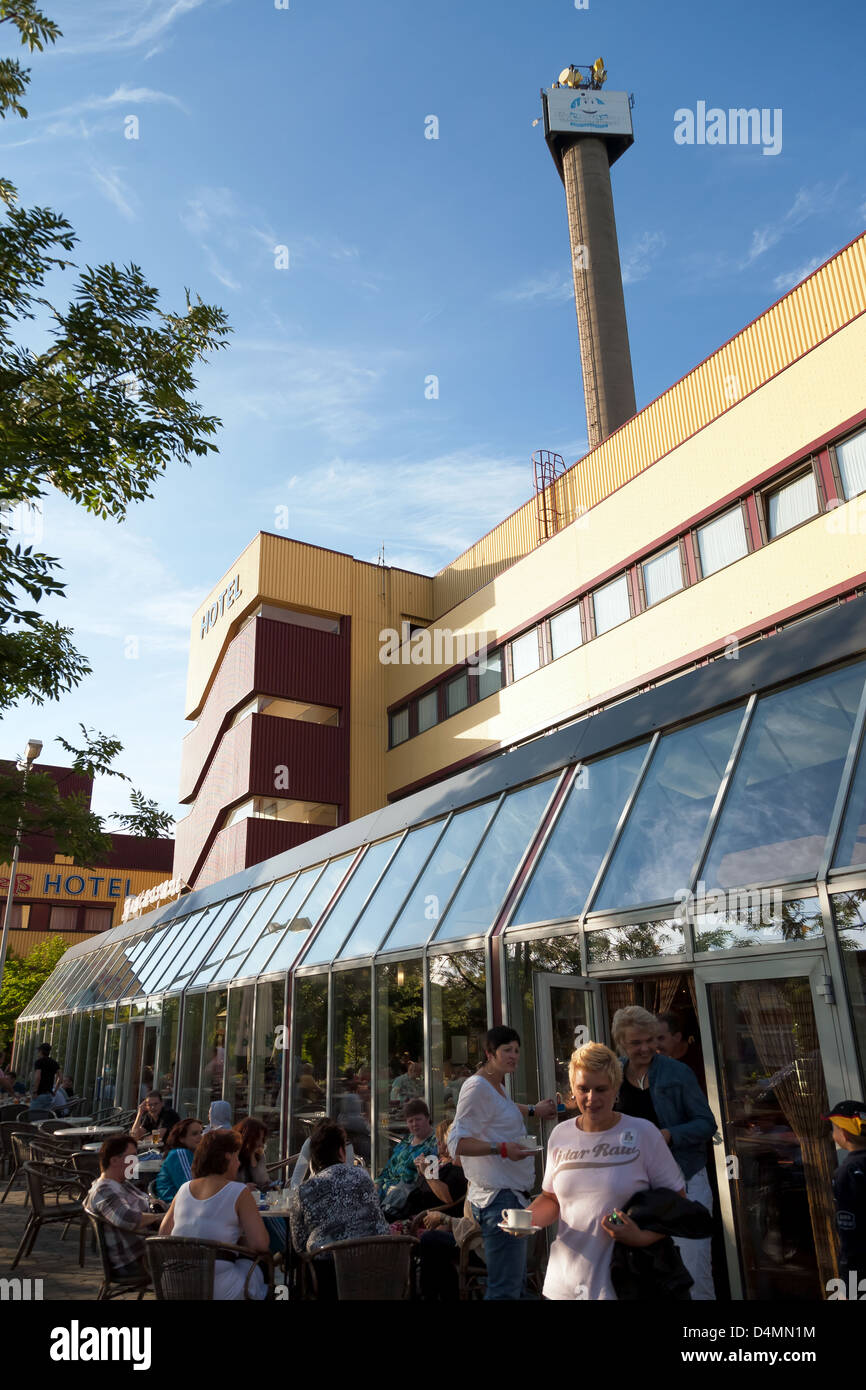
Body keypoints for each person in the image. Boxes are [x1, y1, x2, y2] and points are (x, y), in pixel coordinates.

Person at [529, 1042, 686, 1300]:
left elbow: (678, 1204)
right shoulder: (561, 1134)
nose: (592, 1098)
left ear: (616, 1088)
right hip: (563, 1286)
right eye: (583, 1089)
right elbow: (552, 1199)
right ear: (573, 1090)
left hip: (623, 1284)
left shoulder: (643, 1133)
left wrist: (642, 1237)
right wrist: (525, 1219)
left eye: (601, 1089)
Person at [612, 1005, 717, 1300]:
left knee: (693, 1271)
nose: (646, 1048)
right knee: (644, 1272)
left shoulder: (677, 1072)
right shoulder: (614, 1075)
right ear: (621, 1043)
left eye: (651, 1040)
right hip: (637, 1190)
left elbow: (706, 1123)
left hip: (685, 1179)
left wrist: (670, 1135)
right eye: (636, 1043)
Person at [447, 1025, 556, 1300]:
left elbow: (503, 1108)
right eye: (507, 1050)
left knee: (515, 1287)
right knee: (505, 1291)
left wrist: (533, 1110)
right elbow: (456, 1144)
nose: (514, 1055)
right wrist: (502, 1148)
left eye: (517, 1050)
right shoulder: (475, 1086)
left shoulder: (496, 1085)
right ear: (489, 1053)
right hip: (499, 1201)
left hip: (512, 1199)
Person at [158, 1129, 270, 1300]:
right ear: (227, 1156)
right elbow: (261, 1245)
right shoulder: (239, 1191)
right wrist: (236, 1241)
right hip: (216, 1288)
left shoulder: (184, 1188)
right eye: (237, 1157)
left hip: (174, 1284)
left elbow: (164, 1235)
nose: (239, 1163)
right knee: (260, 1268)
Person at [288, 1118, 389, 1293]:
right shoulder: (363, 1177)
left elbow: (299, 1245)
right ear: (342, 1152)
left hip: (331, 1277)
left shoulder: (304, 1192)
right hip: (375, 1266)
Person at [85, 1134, 163, 1280]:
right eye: (132, 1157)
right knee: (194, 1258)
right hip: (134, 1260)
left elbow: (146, 1200)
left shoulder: (121, 1183)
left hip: (145, 1249)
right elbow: (127, 1218)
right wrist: (159, 1217)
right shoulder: (104, 1190)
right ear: (114, 1160)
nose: (136, 1161)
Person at [375, 1098, 439, 1217]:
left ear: (428, 1118)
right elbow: (389, 1168)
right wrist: (376, 1184)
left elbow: (429, 1177)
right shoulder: (407, 1140)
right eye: (410, 1121)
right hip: (385, 1194)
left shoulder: (435, 1143)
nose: (414, 1124)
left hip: (406, 1200)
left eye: (418, 1119)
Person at [825, 1100, 866, 1285]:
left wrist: (849, 1282)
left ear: (844, 1133)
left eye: (834, 1128)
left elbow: (851, 1233)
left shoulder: (848, 1172)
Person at [154, 1117, 205, 1203]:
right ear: (182, 1139)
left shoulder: (192, 1154)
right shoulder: (179, 1153)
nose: (200, 1137)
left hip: (186, 1203)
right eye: (195, 1134)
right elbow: (191, 1189)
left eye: (201, 1132)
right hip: (174, 1205)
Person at [656, 1011, 707, 1091]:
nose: (655, 1045)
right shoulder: (656, 1066)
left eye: (660, 1038)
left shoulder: (704, 1057)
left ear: (677, 1037)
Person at [30, 1043, 59, 1107]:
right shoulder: (54, 1063)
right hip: (49, 1095)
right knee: (45, 1116)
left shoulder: (39, 1062)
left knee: (33, 1115)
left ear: (41, 1051)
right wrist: (55, 1091)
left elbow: (38, 1077)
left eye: (38, 1051)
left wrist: (35, 1091)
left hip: (39, 1094)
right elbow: (61, 1077)